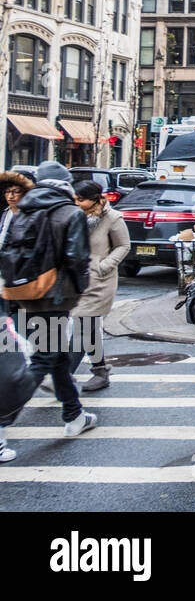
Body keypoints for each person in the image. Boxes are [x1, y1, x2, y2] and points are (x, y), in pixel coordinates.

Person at [0, 161, 95, 460]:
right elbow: (78, 258)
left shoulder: (24, 211)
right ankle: (2, 423)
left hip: (25, 293)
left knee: (57, 355)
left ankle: (74, 414)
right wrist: (79, 289)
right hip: (54, 298)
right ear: (66, 184)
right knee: (44, 359)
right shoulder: (70, 213)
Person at [70, 181, 130, 392]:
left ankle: (63, 375)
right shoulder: (76, 215)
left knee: (82, 326)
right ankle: (100, 370)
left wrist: (104, 266)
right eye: (75, 198)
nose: (76, 202)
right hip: (78, 279)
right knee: (89, 327)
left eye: (80, 199)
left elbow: (124, 245)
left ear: (95, 199)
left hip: (100, 280)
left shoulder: (112, 218)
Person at [0, 170, 35, 464]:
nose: (10, 196)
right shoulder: (5, 216)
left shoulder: (26, 217)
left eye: (15, 191)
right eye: (7, 191)